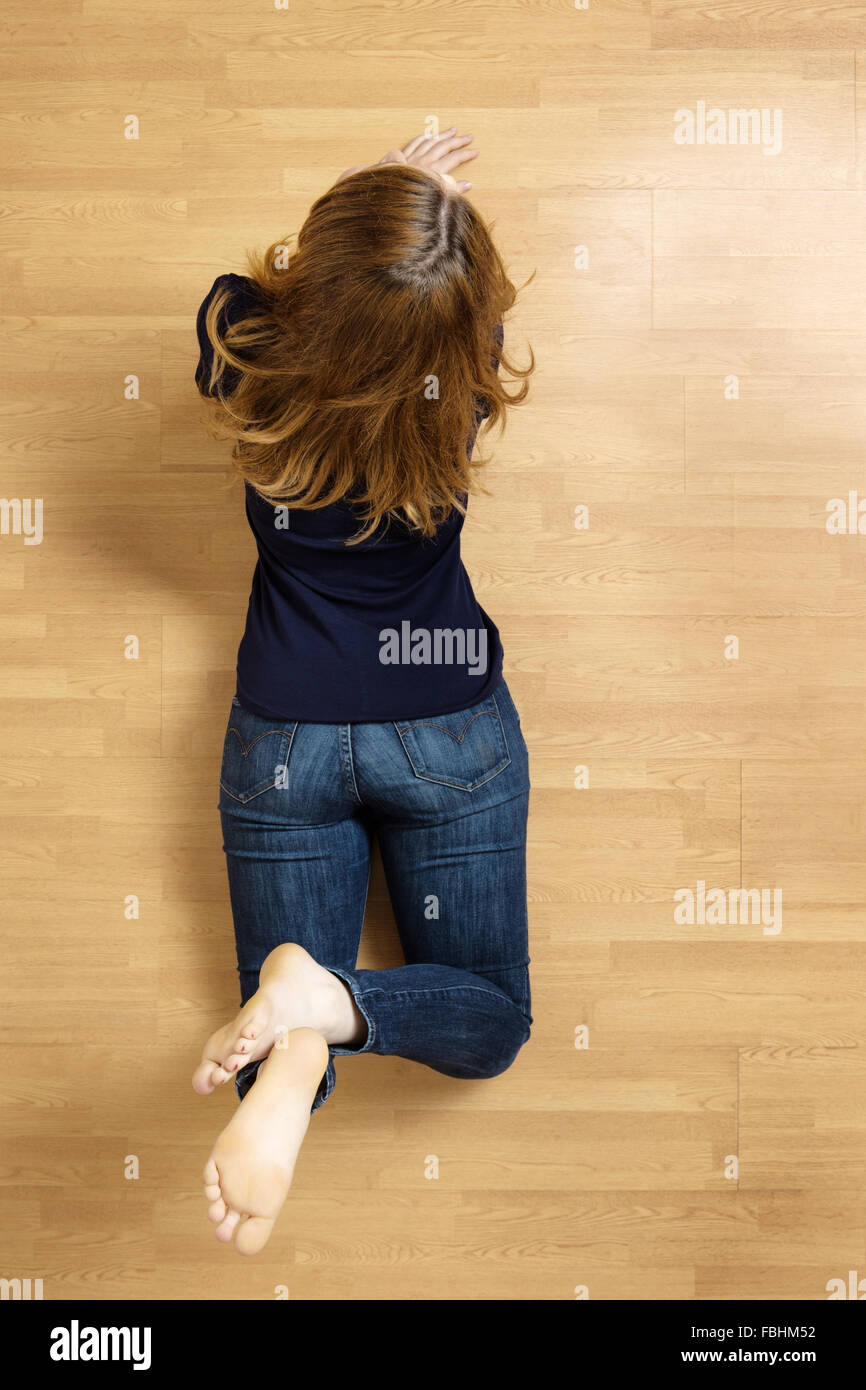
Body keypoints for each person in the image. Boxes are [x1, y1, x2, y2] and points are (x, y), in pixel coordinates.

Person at [191, 127, 535, 1255]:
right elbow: (453, 317)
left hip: (283, 734)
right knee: (491, 1021)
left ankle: (297, 1040)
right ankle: (327, 1011)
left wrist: (395, 210)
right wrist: (430, 243)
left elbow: (276, 279)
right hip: (446, 723)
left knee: (266, 1055)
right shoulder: (467, 384)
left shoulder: (241, 339)